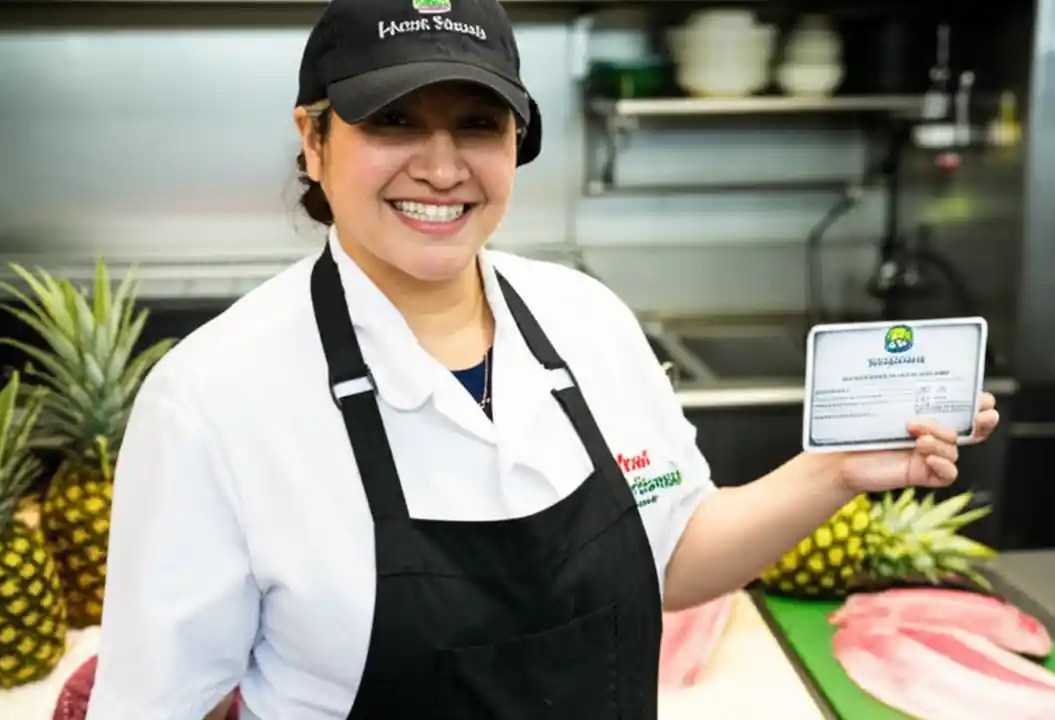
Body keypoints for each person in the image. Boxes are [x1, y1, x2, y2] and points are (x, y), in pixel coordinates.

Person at [83, 0, 1001, 718]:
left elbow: (671, 555)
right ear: (314, 140)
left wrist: (838, 469)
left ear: (517, 142)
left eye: (478, 124)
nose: (442, 168)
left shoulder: (585, 318)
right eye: (394, 121)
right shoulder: (213, 397)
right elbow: (157, 705)